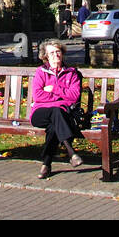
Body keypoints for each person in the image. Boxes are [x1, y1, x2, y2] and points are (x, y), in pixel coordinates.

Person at [29, 39, 84, 178]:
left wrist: (54, 89)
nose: (55, 55)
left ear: (62, 53)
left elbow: (74, 97)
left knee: (54, 126)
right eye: (52, 53)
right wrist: (60, 98)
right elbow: (38, 95)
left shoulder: (72, 73)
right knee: (56, 111)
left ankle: (46, 164)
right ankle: (70, 151)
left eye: (58, 51)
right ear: (46, 56)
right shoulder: (41, 72)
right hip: (40, 113)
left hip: (61, 114)